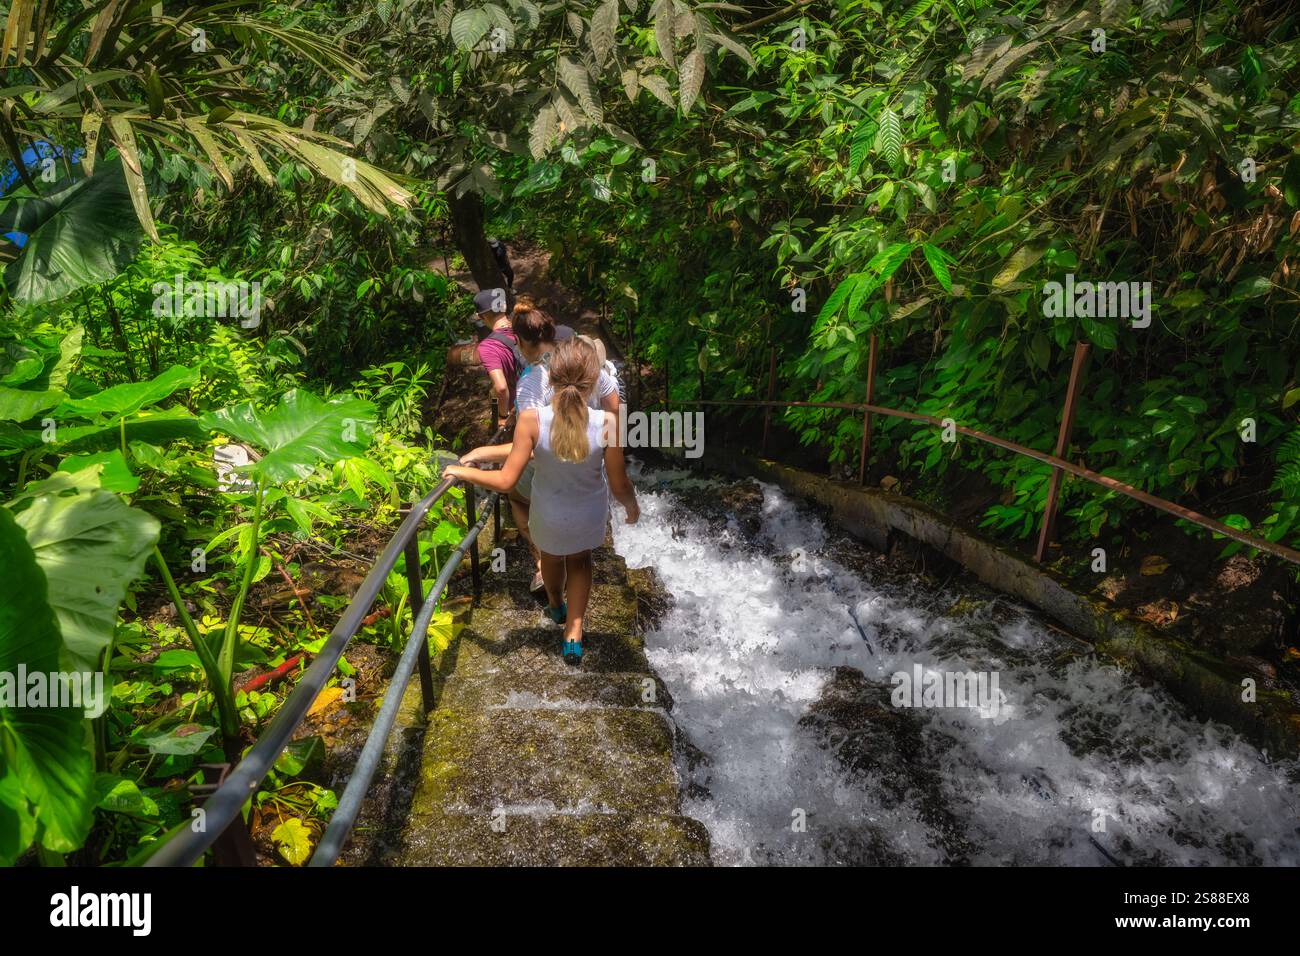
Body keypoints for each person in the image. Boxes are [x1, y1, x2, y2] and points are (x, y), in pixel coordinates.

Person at [446, 339, 640, 665]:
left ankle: (554, 603)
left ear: (549, 378)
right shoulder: (608, 423)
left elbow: (507, 481)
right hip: (588, 513)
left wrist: (465, 472)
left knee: (551, 557)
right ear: (593, 383)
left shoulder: (532, 420)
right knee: (580, 562)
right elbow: (619, 483)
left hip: (548, 513)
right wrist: (631, 506)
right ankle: (574, 633)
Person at [459, 303, 618, 592]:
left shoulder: (532, 381)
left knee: (515, 494)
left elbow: (531, 446)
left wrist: (478, 456)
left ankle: (543, 565)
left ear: (519, 342)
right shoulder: (579, 362)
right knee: (580, 551)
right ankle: (572, 617)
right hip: (588, 463)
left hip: (550, 469)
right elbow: (613, 401)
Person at [472, 287, 524, 424]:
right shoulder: (524, 326)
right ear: (504, 307)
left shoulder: (488, 347)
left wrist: (503, 415)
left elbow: (501, 388)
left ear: (481, 317)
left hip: (520, 410)